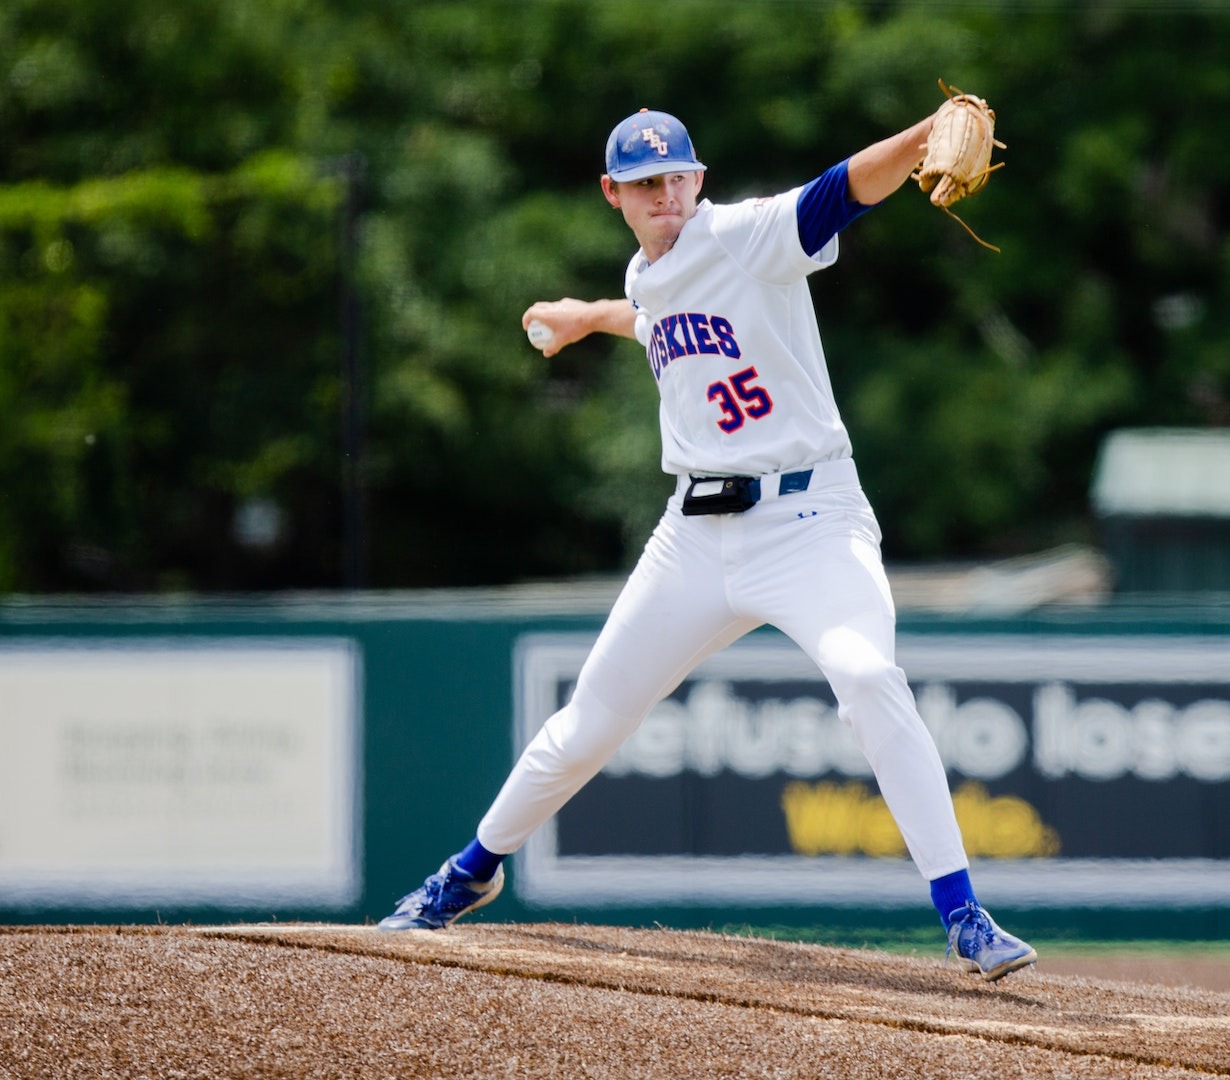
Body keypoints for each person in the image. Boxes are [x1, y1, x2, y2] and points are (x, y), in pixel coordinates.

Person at [378, 104, 1037, 981]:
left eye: (678, 177)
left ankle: (963, 914)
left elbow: (843, 191)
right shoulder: (652, 271)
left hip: (809, 522)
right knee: (587, 726)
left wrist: (923, 136)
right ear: (613, 193)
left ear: (700, 177)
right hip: (692, 536)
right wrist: (587, 314)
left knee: (869, 676)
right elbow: (653, 310)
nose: (667, 195)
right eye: (646, 184)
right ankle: (468, 874)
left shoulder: (746, 235)